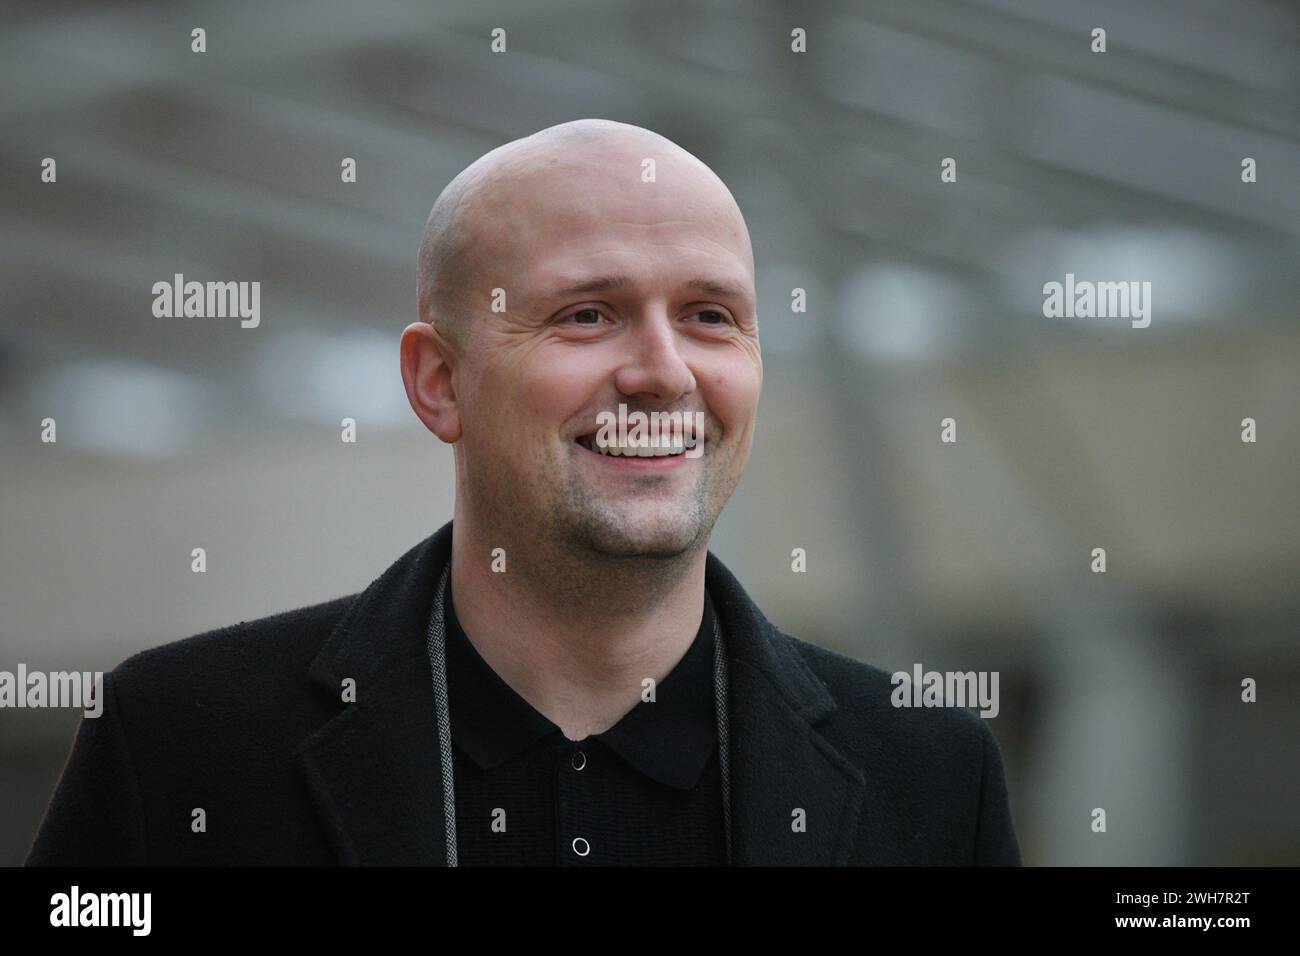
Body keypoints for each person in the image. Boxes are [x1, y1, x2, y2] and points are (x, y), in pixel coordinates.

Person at [26, 119, 1021, 866]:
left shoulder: (931, 771)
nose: (665, 372)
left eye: (710, 315)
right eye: (587, 313)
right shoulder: (181, 739)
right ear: (439, 381)